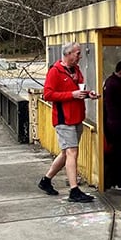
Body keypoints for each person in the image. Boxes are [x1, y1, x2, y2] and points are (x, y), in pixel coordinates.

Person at [38, 42, 99, 202]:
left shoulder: (76, 70)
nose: (80, 56)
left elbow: (77, 91)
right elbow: (48, 94)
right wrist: (71, 95)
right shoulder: (55, 71)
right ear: (68, 54)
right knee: (72, 152)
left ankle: (46, 180)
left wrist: (88, 94)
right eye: (77, 53)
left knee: (67, 153)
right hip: (63, 119)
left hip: (77, 116)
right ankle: (74, 190)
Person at [103, 60, 121, 189]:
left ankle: (111, 181)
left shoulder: (109, 81)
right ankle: (115, 181)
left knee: (114, 154)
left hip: (110, 123)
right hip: (116, 124)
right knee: (117, 154)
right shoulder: (116, 84)